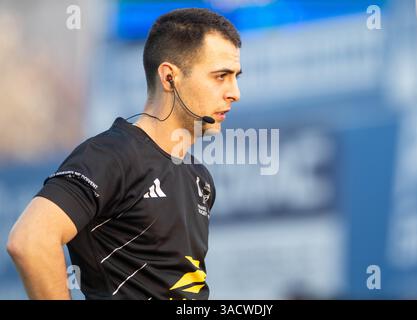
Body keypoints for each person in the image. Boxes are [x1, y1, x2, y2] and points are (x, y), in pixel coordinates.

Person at [7, 8, 242, 300]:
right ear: (169, 78)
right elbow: (30, 240)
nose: (234, 92)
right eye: (221, 76)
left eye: (235, 77)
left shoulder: (200, 178)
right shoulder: (111, 154)